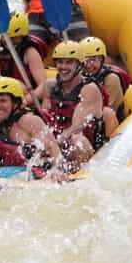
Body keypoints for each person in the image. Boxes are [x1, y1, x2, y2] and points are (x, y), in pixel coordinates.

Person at [41, 41, 111, 170]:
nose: (63, 67)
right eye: (60, 62)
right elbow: (44, 120)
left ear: (80, 65)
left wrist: (54, 144)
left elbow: (76, 128)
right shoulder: (50, 86)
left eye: (69, 62)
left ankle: (77, 176)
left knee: (77, 142)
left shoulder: (89, 89)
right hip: (57, 144)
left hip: (86, 149)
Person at [0, 77, 65, 178]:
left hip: (37, 175)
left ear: (15, 103)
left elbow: (54, 152)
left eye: (3, 101)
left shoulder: (31, 121)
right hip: (11, 179)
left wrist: (58, 171)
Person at [0, 11, 48, 102]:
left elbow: (44, 86)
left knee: (18, 85)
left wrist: (27, 100)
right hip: (3, 95)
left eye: (13, 38)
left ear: (22, 35)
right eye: (6, 37)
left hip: (25, 96)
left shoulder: (30, 52)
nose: (8, 41)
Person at [80, 36, 132, 122]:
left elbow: (107, 112)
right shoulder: (81, 75)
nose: (88, 65)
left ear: (101, 60)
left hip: (111, 122)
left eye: (93, 60)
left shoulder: (111, 79)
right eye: (84, 60)